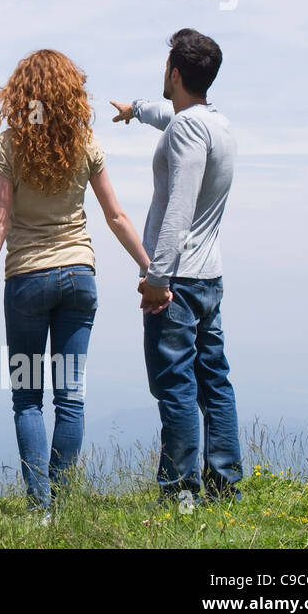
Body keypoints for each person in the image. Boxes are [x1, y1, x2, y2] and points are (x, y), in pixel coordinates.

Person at [0, 50, 153, 515]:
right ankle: (63, 507)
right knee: (70, 397)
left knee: (28, 400)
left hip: (27, 280)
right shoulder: (85, 142)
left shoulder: (9, 145)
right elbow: (116, 215)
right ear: (71, 93)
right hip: (79, 279)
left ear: (20, 94)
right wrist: (149, 268)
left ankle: (40, 509)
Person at [110, 28, 241, 508]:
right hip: (209, 278)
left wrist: (156, 279)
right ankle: (224, 484)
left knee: (175, 385)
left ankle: (182, 491)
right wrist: (136, 109)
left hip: (178, 281)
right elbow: (172, 114)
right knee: (214, 380)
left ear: (175, 72)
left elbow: (178, 210)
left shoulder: (187, 130)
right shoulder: (216, 124)